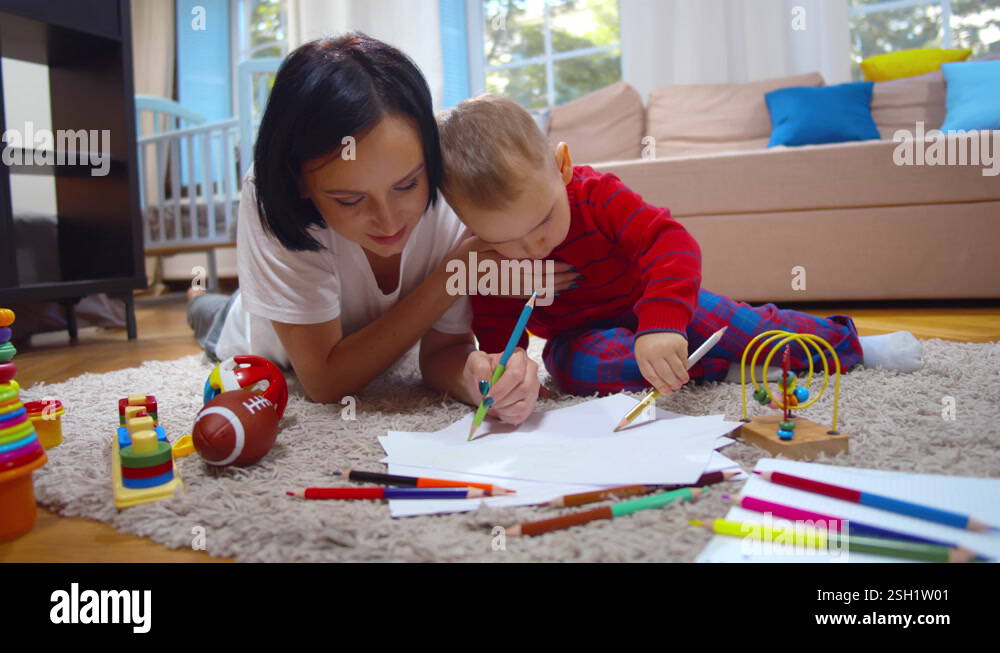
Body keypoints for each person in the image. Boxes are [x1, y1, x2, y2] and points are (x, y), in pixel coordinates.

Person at [187, 34, 574, 425]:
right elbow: (323, 382)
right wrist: (449, 277)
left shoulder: (451, 187)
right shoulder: (271, 196)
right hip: (252, 329)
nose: (389, 222)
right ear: (299, 182)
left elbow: (444, 351)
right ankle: (198, 299)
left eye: (407, 185)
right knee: (208, 313)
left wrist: (476, 379)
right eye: (350, 200)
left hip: (355, 327)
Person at [436, 94, 923, 398]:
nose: (532, 248)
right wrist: (507, 369)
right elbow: (499, 324)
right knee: (576, 372)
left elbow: (671, 244)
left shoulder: (595, 195)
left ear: (562, 166)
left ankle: (850, 344)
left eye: (543, 221)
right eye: (505, 240)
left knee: (736, 324)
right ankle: (726, 369)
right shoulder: (487, 255)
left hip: (657, 306)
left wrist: (662, 323)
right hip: (579, 335)